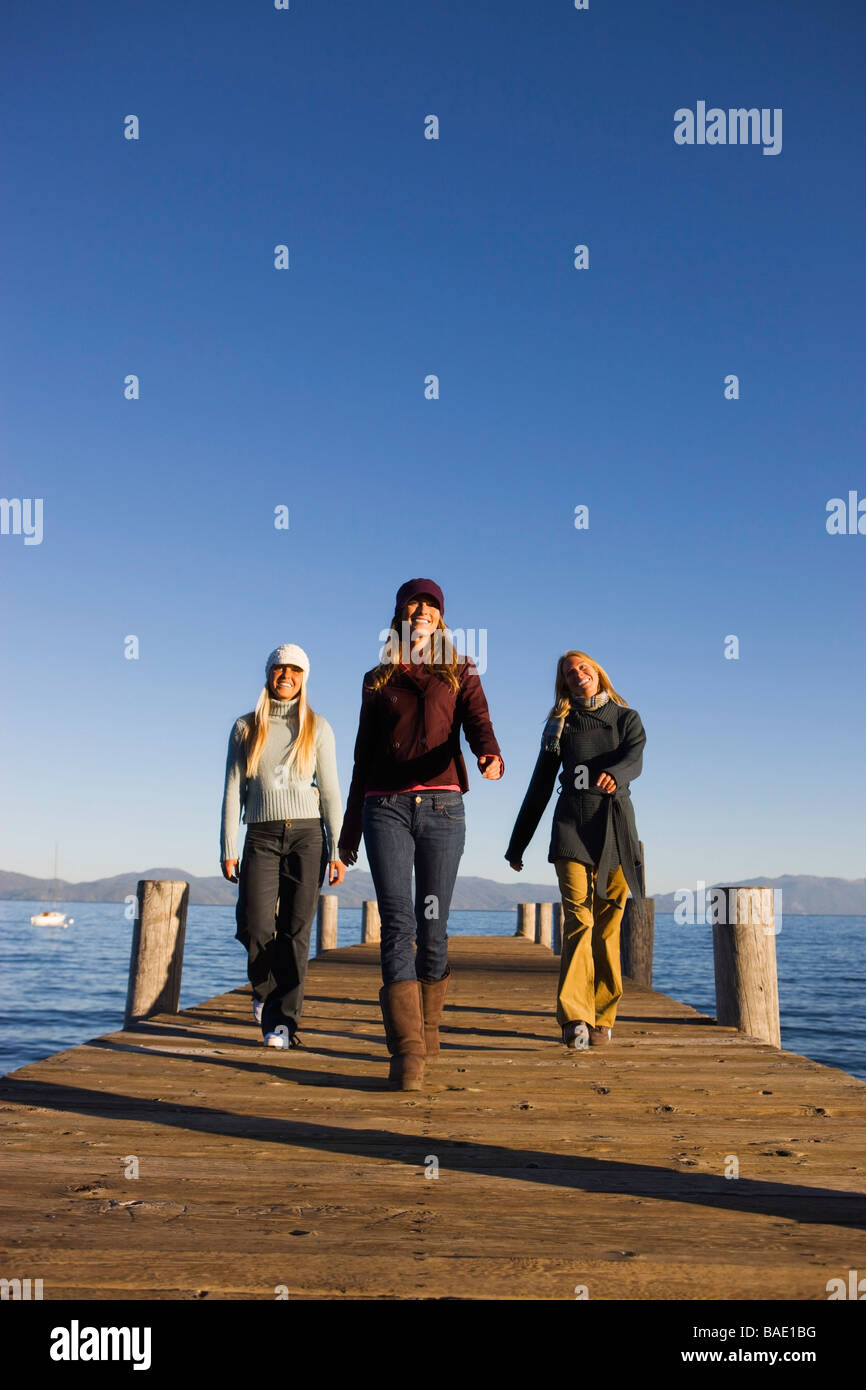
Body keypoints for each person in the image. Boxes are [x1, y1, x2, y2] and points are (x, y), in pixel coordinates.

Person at [338, 579, 504, 1091]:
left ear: (441, 616)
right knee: (397, 924)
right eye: (414, 603)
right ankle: (407, 1052)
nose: (422, 611)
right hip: (383, 806)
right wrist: (348, 832)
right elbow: (363, 755)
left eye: (431, 604)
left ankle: (429, 1030)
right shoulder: (375, 679)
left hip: (442, 804)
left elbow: (477, 720)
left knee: (433, 929)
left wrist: (489, 752)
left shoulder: (458, 669)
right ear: (400, 616)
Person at [505, 650, 646, 1050]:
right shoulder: (559, 726)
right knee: (578, 921)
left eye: (584, 668)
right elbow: (540, 786)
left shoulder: (626, 718)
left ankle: (603, 1017)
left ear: (599, 673)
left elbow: (634, 760)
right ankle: (574, 1018)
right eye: (570, 672)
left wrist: (614, 776)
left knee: (607, 928)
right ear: (564, 684)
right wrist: (518, 844)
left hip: (616, 830)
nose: (579, 674)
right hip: (570, 829)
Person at [221, 644, 345, 1047]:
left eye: (295, 670)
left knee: (295, 931)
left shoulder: (317, 726)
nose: (286, 676)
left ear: (304, 677)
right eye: (279, 668)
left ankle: (282, 1024)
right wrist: (228, 845)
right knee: (256, 925)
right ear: (269, 674)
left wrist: (339, 849)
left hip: (309, 836)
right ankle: (264, 989)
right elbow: (232, 790)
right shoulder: (245, 727)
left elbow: (330, 792)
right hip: (260, 833)